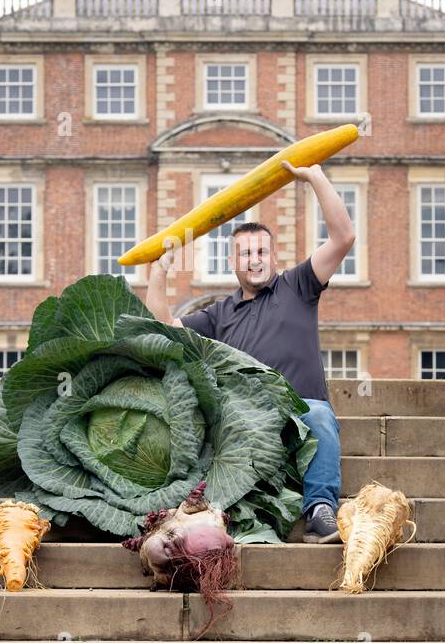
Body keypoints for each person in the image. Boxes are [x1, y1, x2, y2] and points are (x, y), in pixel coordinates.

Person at [145, 160, 356, 543]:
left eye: (261, 251)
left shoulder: (299, 285)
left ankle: (321, 511)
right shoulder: (219, 314)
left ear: (273, 258)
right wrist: (159, 272)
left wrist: (314, 176)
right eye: (245, 254)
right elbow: (165, 325)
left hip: (303, 411)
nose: (254, 259)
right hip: (249, 421)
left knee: (322, 415)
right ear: (233, 262)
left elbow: (343, 236)